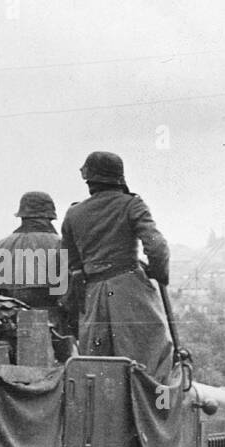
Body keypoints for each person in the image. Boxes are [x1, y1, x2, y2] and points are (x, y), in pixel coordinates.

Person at [60, 151, 174, 380]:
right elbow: (157, 246)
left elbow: (71, 265)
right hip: (130, 292)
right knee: (151, 359)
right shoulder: (131, 204)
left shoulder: (73, 213)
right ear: (118, 179)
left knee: (96, 367)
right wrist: (157, 273)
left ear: (89, 180)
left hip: (93, 297)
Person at [0, 191, 64, 308]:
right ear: (50, 216)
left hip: (10, 315)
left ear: (22, 216)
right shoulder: (60, 244)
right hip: (51, 315)